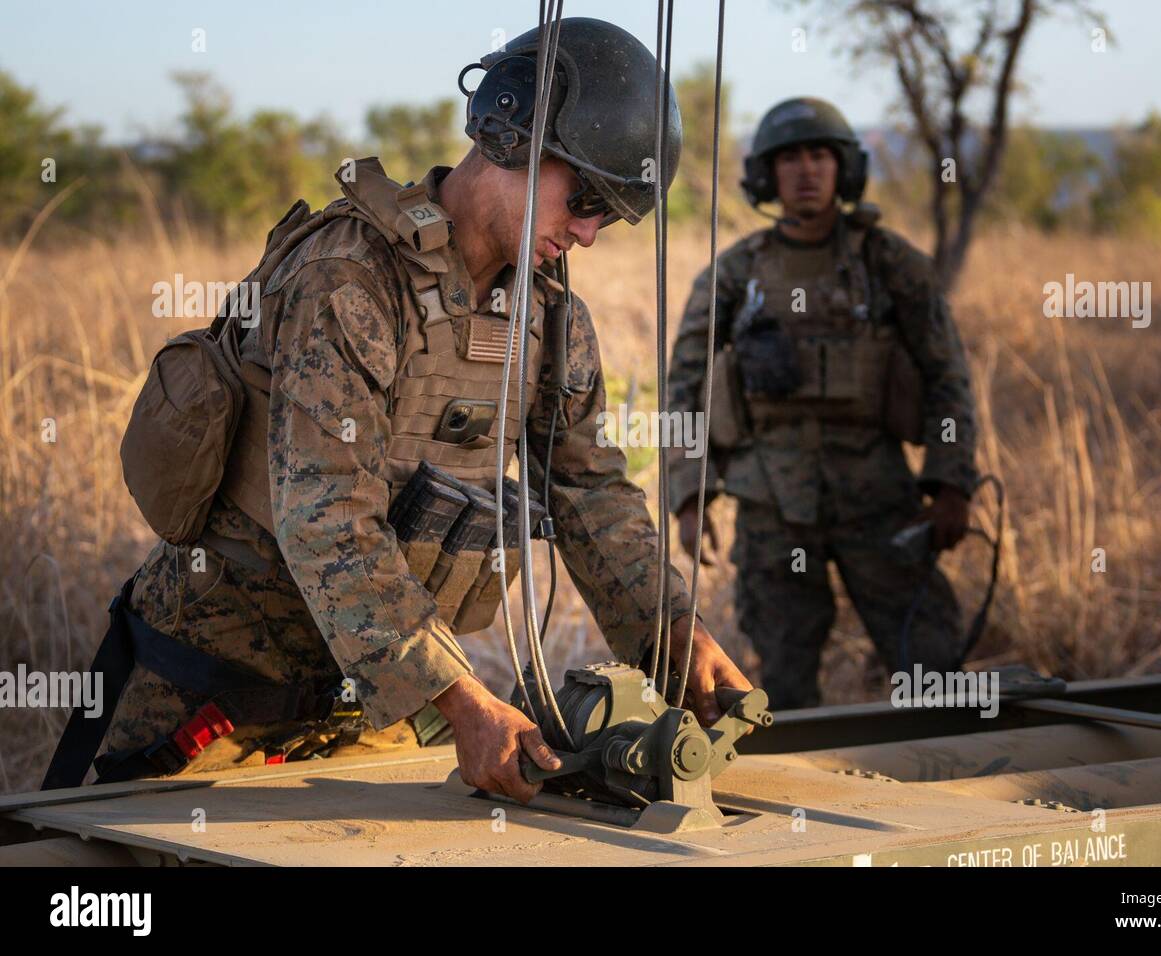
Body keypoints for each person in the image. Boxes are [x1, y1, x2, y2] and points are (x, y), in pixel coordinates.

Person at [44, 18, 750, 804]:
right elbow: (327, 515)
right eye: (583, 197)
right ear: (510, 133)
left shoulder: (549, 319)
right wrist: (459, 698)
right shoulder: (351, 279)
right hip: (210, 713)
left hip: (369, 717)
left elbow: (590, 490)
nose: (586, 233)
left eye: (608, 216)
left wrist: (671, 632)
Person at [667, 97, 977, 710]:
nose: (806, 171)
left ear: (844, 169)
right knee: (783, 680)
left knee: (933, 667)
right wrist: (688, 493)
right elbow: (684, 386)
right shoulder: (733, 274)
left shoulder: (889, 264)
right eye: (788, 159)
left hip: (880, 498)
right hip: (771, 506)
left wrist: (952, 482)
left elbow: (948, 377)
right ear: (765, 174)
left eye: (818, 156)